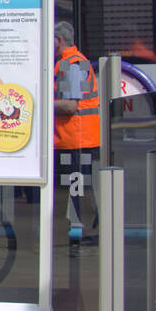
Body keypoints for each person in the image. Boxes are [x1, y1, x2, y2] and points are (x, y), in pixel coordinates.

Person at [54, 21, 100, 241]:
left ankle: (84, 231)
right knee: (80, 186)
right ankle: (87, 229)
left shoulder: (69, 65)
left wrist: (40, 102)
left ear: (59, 40)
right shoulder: (76, 61)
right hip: (81, 136)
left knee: (76, 188)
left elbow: (70, 105)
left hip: (74, 138)